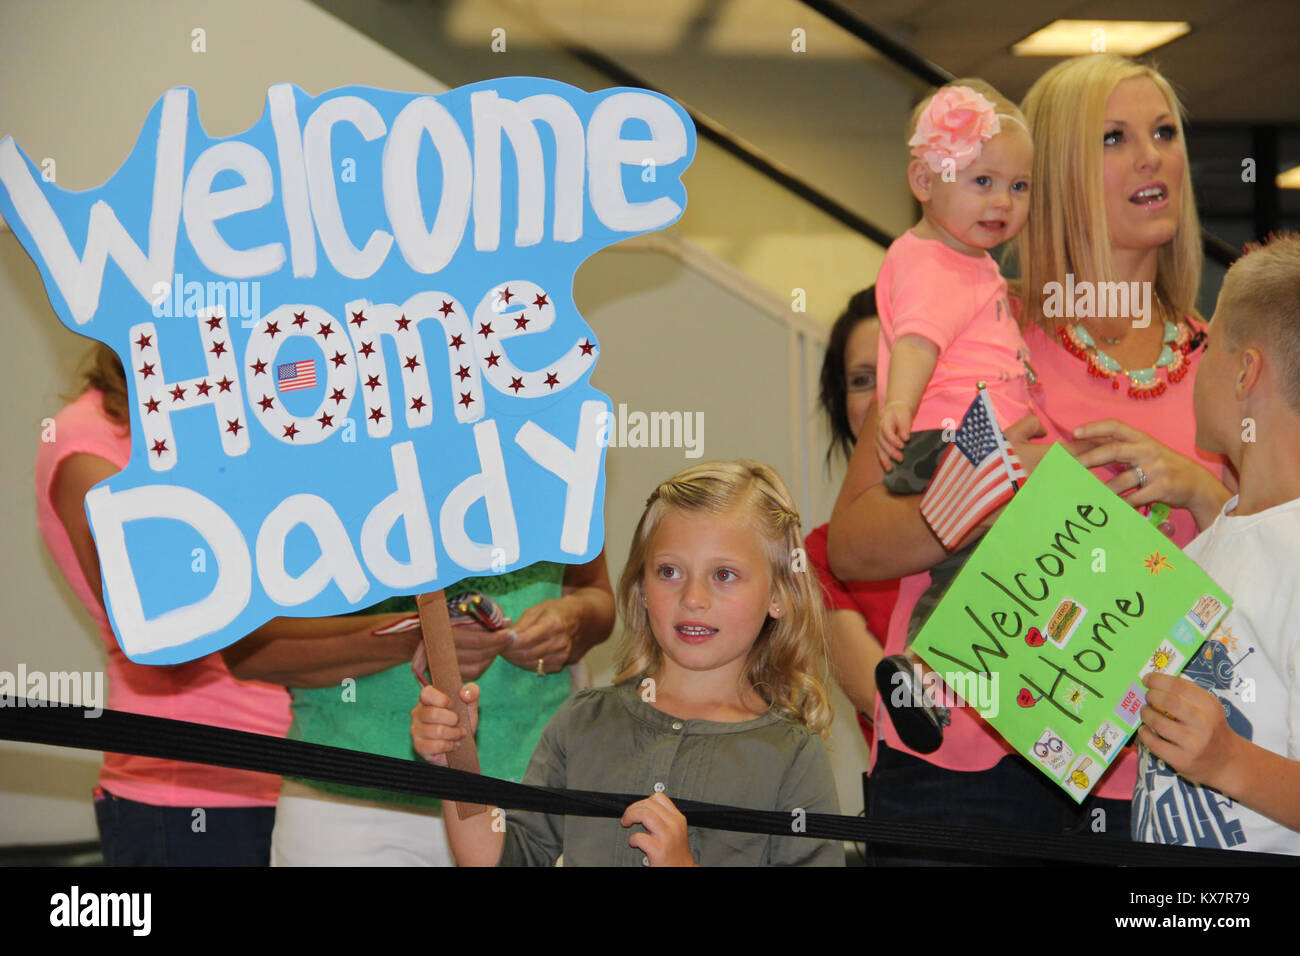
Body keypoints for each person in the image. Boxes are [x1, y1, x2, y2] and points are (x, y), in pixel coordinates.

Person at [829, 54, 1231, 865]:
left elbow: (1273, 565)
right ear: (1049, 176)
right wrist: (974, 496)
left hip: (1150, 775)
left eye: (1164, 133)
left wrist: (1197, 488)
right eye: (1114, 139)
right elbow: (852, 546)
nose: (1153, 156)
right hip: (957, 770)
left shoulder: (1230, 360)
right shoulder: (976, 323)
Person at [412, 461, 842, 866]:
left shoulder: (793, 756)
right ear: (640, 589)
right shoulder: (584, 721)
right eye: (669, 572)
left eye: (724, 575)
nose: (693, 598)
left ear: (779, 597)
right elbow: (504, 857)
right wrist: (456, 756)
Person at [35, 343, 292, 866]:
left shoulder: (203, 416)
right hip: (187, 792)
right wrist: (391, 633)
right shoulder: (87, 436)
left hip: (288, 772)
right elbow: (171, 621)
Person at [224, 556, 614, 867]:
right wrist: (415, 635)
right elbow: (250, 648)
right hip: (349, 807)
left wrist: (573, 620)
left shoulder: (561, 459)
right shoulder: (312, 460)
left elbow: (594, 593)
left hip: (528, 806)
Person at [869, 79, 1038, 751]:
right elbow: (917, 341)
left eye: (1018, 187)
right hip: (948, 436)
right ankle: (925, 668)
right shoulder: (937, 265)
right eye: (982, 180)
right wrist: (902, 405)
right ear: (923, 179)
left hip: (964, 434)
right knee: (1005, 556)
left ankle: (924, 673)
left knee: (970, 566)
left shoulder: (964, 263)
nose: (1002, 201)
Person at [1132, 233, 1300, 854]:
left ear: (1246, 371)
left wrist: (1226, 760)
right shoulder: (1204, 553)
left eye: (1205, 349)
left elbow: (1219, 755)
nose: (1193, 366)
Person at [804, 288, 898, 747]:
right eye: (863, 381)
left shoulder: (1014, 506)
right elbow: (895, 711)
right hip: (925, 800)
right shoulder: (823, 554)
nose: (884, 402)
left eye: (902, 371)